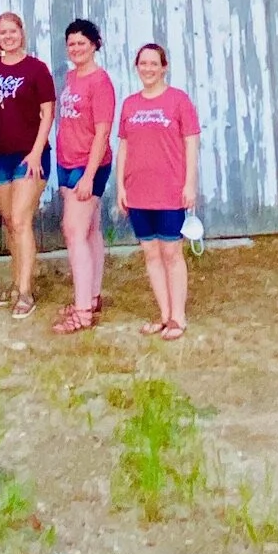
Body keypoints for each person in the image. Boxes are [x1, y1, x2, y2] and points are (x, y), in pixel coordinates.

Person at [116, 42, 201, 342]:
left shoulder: (178, 100)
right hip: (138, 192)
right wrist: (120, 187)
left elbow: (191, 142)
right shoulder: (129, 104)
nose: (148, 69)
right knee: (151, 253)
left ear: (164, 67)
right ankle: (164, 315)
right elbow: (123, 147)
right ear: (136, 67)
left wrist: (190, 183)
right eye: (143, 63)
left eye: (154, 64)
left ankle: (179, 316)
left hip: (170, 191)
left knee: (171, 252)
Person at [0, 12, 55, 321]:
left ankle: (25, 292)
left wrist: (36, 152)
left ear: (22, 33)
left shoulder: (36, 69)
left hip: (29, 156)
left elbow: (48, 113)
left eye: (13, 31)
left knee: (22, 221)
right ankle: (15, 282)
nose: (8, 36)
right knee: (10, 222)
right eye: (2, 32)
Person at [53, 18, 116, 336]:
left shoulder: (100, 81)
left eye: (82, 42)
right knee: (89, 230)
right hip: (66, 160)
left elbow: (103, 131)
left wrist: (89, 175)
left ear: (94, 45)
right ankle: (91, 297)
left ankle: (81, 314)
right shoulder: (71, 76)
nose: (76, 48)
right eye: (71, 43)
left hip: (88, 165)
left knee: (72, 231)